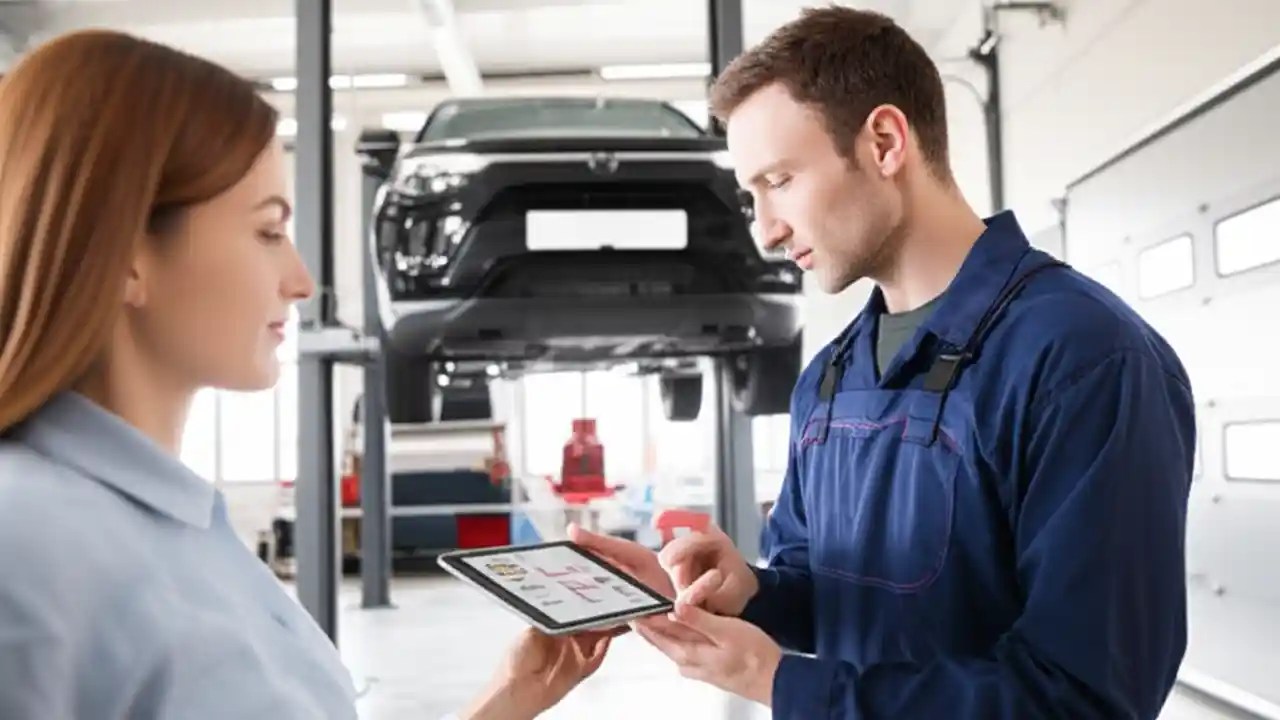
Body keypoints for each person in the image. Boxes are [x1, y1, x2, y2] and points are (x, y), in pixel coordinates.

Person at [577, 6, 1197, 719]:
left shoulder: (1084, 359)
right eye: (752, 197)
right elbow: (836, 594)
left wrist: (784, 684)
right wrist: (749, 589)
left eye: (779, 181)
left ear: (883, 141)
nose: (767, 231)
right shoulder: (831, 379)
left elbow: (1087, 699)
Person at [0, 29, 612, 719]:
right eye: (267, 232)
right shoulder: (25, 543)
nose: (300, 280)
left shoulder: (179, 525)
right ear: (125, 256)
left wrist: (507, 700)